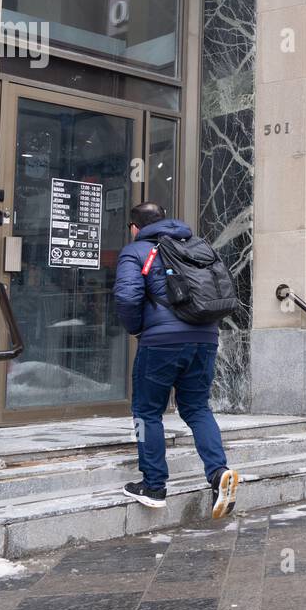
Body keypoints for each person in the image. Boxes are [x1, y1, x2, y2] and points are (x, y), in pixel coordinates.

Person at [113, 201, 238, 518]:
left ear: (134, 228)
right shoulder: (196, 245)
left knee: (146, 411)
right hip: (206, 337)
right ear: (164, 220)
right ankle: (217, 473)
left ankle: (153, 485)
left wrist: (138, 328)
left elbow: (127, 297)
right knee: (196, 408)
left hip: (161, 341)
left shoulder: (137, 250)